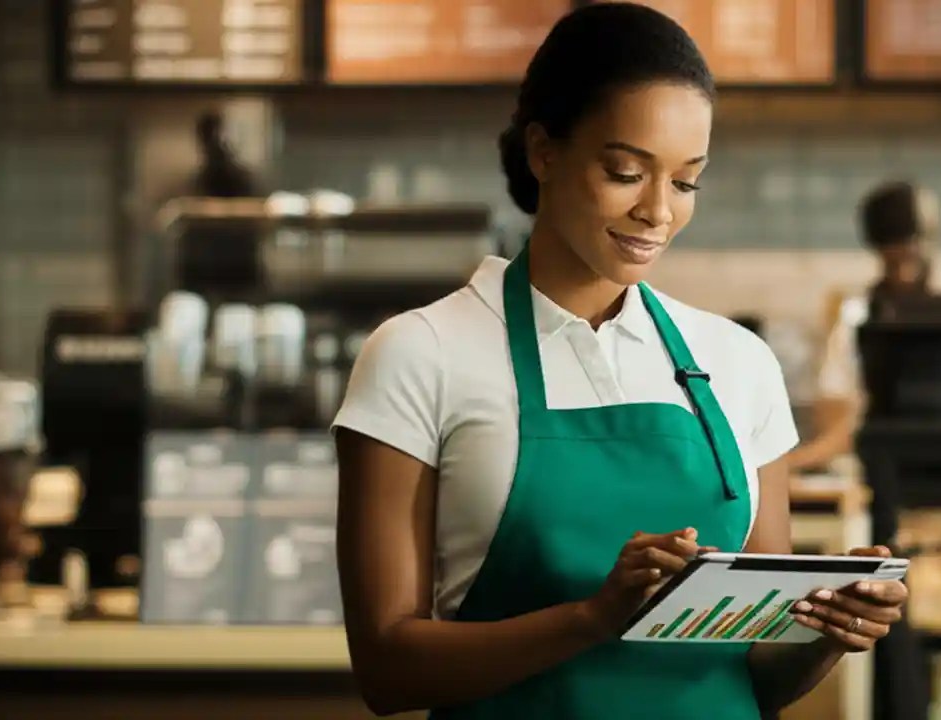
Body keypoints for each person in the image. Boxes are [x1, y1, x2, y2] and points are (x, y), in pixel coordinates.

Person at [331, 4, 908, 718]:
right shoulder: (422, 354)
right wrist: (595, 618)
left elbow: (755, 677)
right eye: (627, 171)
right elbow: (387, 670)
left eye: (686, 181)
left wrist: (826, 631)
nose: (658, 211)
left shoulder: (738, 364)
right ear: (544, 152)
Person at [786, 180, 941, 472]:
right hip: (872, 470)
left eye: (917, 248)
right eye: (897, 257)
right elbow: (835, 414)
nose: (907, 268)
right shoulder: (854, 316)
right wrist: (799, 461)